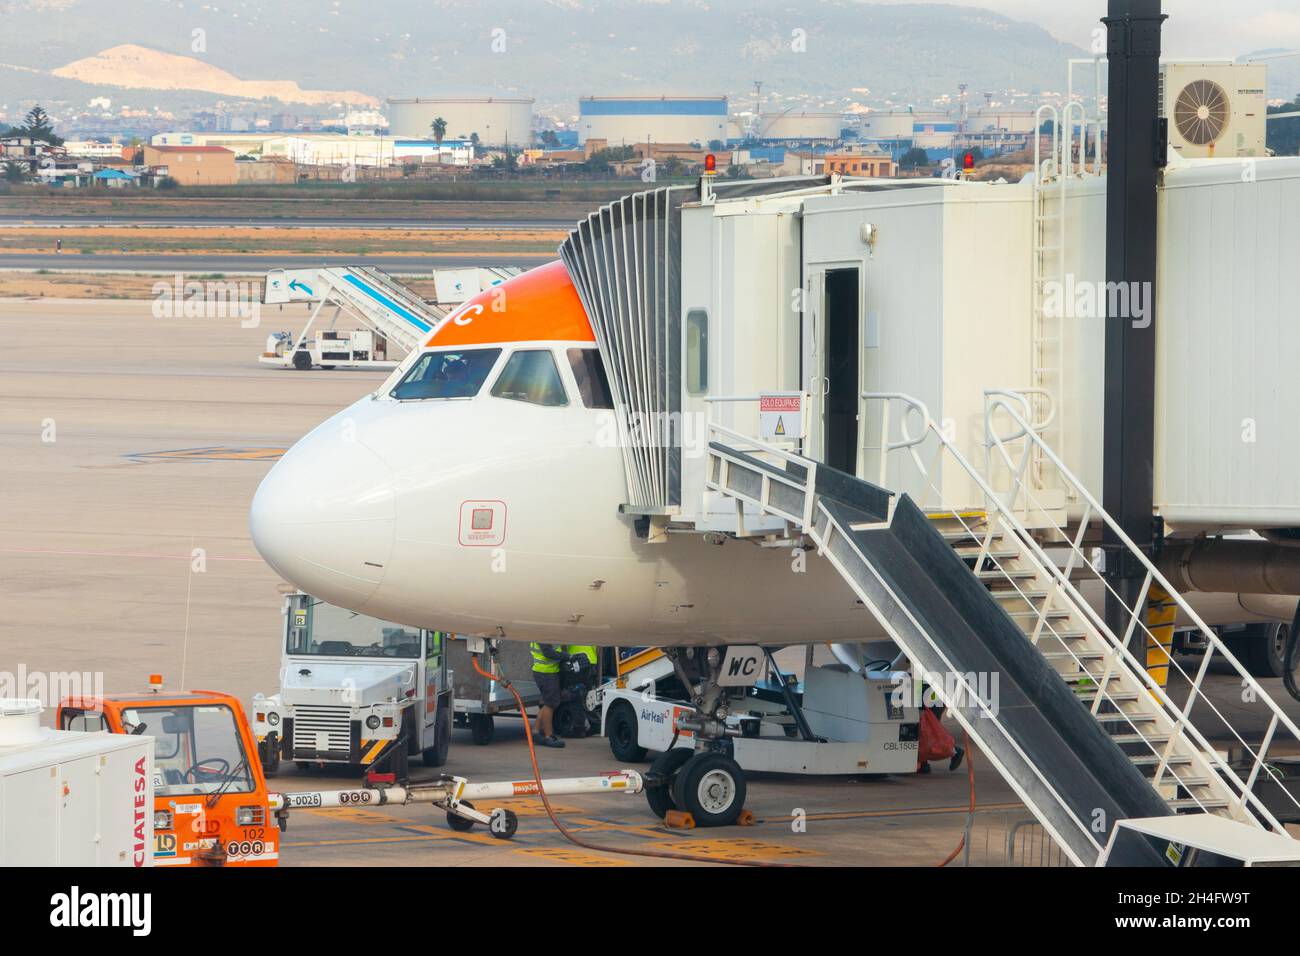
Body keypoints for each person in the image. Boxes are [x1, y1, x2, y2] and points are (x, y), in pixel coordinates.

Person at [529, 642, 569, 748]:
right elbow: (548, 653)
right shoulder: (542, 631)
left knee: (548, 702)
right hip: (546, 672)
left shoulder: (541, 630)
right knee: (550, 704)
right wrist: (567, 656)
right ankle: (549, 736)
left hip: (547, 671)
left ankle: (536, 732)